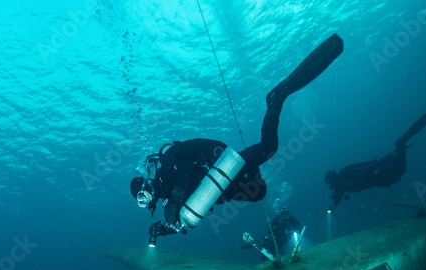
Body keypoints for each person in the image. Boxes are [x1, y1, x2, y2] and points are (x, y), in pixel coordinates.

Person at [131, 34, 343, 245]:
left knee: (269, 147)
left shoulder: (166, 170)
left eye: (142, 195)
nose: (146, 199)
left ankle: (277, 97)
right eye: (141, 202)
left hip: (222, 164)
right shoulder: (166, 194)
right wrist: (163, 230)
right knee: (259, 193)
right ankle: (251, 163)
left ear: (145, 182)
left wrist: (177, 196)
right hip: (222, 184)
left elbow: (185, 168)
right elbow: (184, 221)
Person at [325, 113, 426, 208]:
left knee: (400, 171)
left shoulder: (345, 175)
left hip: (381, 172)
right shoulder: (342, 184)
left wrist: (385, 159)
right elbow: (334, 200)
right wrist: (332, 204)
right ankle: (401, 146)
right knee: (399, 171)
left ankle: (401, 145)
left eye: (331, 182)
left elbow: (365, 168)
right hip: (380, 175)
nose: (332, 186)